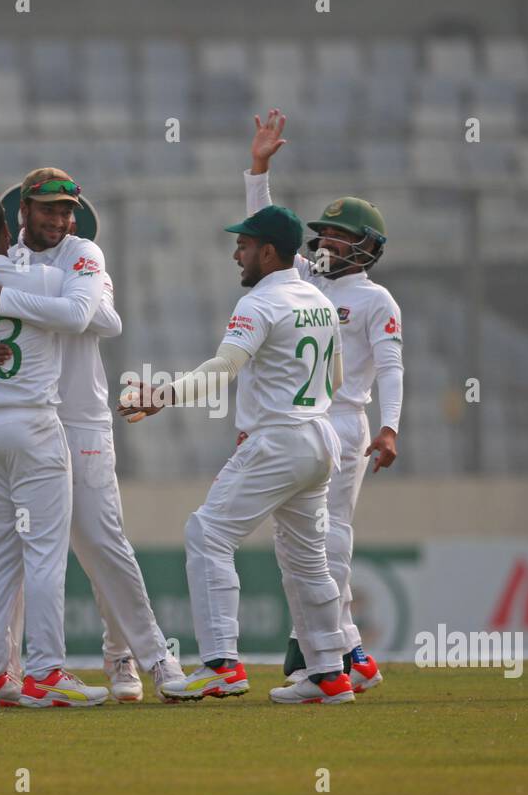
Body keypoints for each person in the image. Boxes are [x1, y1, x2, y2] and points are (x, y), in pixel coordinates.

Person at [0, 168, 185, 702]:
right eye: (48, 210)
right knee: (17, 551)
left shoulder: (82, 252)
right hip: (24, 415)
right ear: (22, 211)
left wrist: (7, 299)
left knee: (101, 542)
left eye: (66, 210)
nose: (59, 220)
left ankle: (143, 659)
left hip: (78, 418)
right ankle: (3, 672)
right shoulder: (5, 260)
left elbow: (97, 318)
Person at [121, 205, 355, 705]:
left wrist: (159, 394)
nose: (236, 254)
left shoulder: (259, 303)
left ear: (268, 252)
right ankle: (331, 673)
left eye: (244, 245)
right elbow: (336, 378)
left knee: (207, 534)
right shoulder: (317, 298)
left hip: (279, 439)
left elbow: (224, 368)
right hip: (320, 435)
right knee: (308, 561)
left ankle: (222, 665)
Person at [0, 183, 109, 708]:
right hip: (34, 425)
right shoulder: (47, 276)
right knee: (46, 556)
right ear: (9, 232)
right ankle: (46, 672)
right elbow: (80, 317)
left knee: (2, 556)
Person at [244, 110, 402, 692]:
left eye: (341, 235)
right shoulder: (305, 279)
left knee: (327, 538)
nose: (327, 241)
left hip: (345, 421)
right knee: (300, 542)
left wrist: (390, 428)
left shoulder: (376, 299)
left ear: (369, 247)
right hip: (302, 421)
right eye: (325, 233)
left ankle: (328, 664)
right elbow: (266, 230)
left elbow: (391, 367)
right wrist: (259, 167)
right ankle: (349, 657)